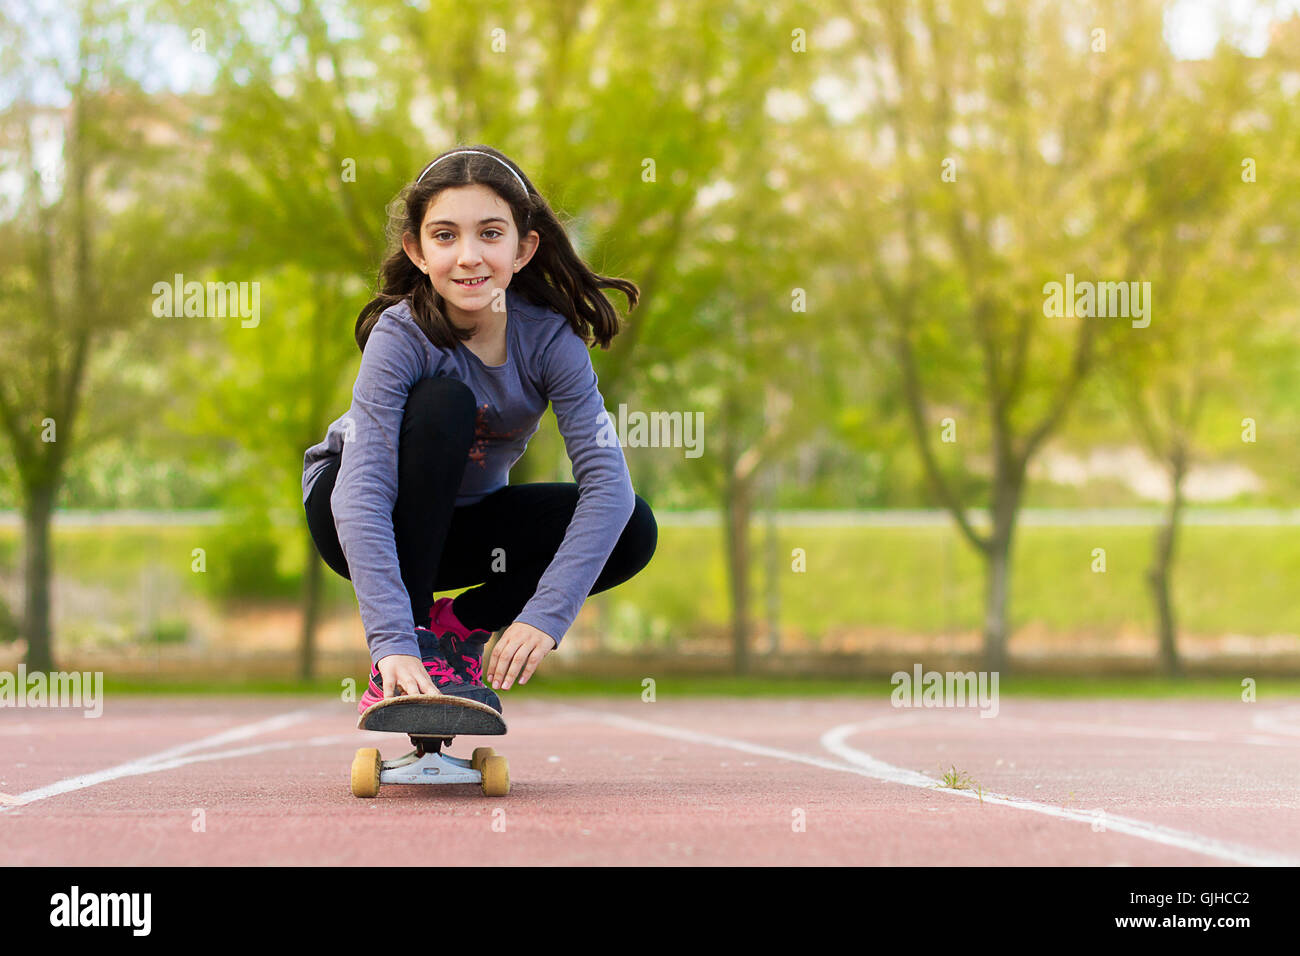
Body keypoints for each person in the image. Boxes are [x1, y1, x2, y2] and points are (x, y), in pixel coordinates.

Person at [302, 145, 657, 715]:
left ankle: (453, 628)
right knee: (445, 402)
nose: (468, 257)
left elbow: (608, 489)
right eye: (445, 236)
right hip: (358, 513)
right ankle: (415, 643)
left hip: (463, 528)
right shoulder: (402, 335)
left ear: (524, 249)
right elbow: (362, 490)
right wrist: (392, 643)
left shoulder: (549, 341)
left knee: (634, 526)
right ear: (417, 251)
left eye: (490, 234)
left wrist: (545, 615)